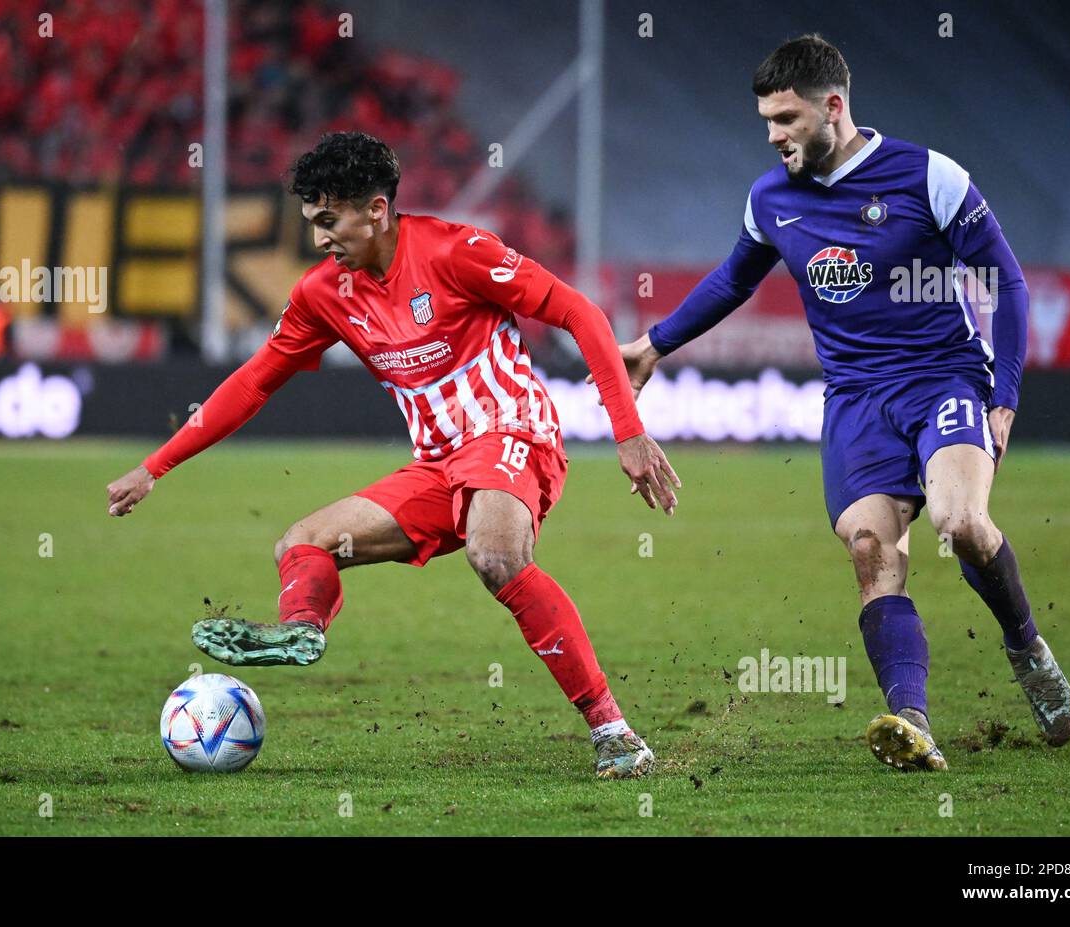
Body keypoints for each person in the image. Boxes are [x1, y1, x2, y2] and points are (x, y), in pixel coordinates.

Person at [106, 131, 681, 779]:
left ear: (377, 210)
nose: (320, 239)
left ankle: (615, 734)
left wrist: (626, 429)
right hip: (438, 464)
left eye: (329, 221)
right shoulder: (326, 292)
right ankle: (302, 627)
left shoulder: (456, 251)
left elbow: (577, 311)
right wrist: (155, 465)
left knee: (496, 555)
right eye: (312, 223)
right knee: (302, 543)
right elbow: (253, 381)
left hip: (512, 433)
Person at [612, 35, 1070, 771]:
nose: (773, 135)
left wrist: (1006, 395)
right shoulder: (772, 197)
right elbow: (735, 279)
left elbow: (1007, 282)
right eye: (766, 120)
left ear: (834, 107)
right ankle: (911, 719)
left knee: (960, 524)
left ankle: (1026, 646)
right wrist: (657, 343)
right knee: (870, 550)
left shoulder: (929, 177)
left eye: (787, 118)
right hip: (856, 400)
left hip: (944, 378)